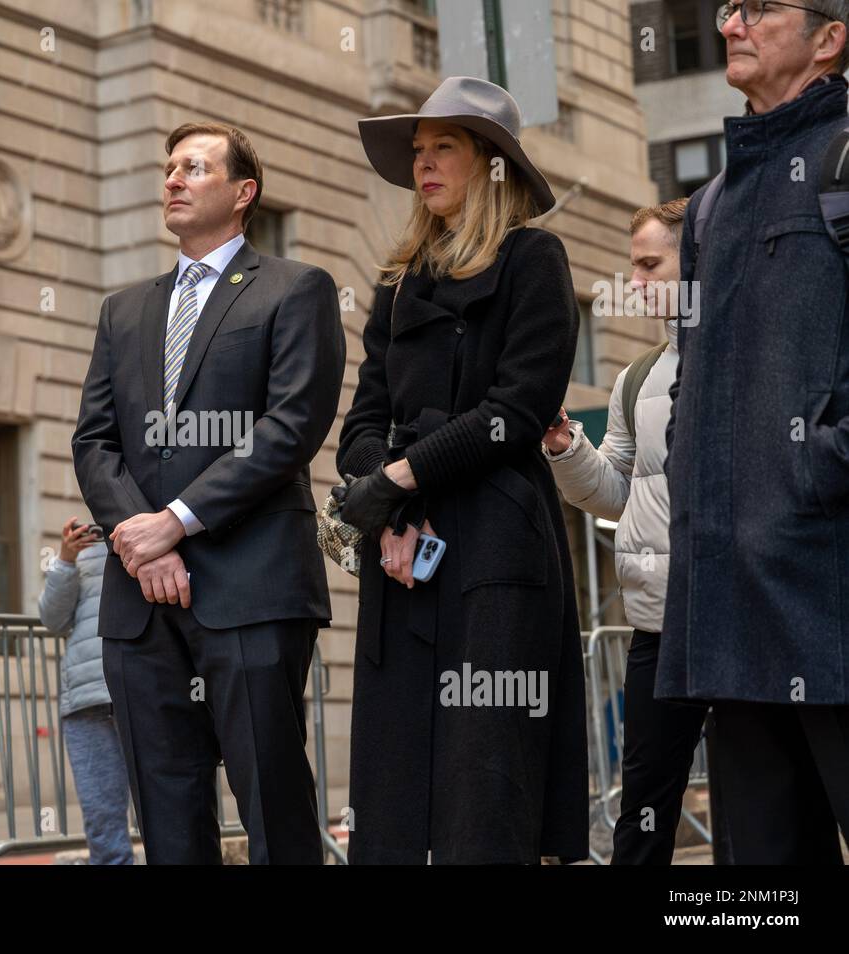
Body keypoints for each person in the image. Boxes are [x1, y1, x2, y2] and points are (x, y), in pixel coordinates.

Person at [71, 121, 345, 864]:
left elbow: (290, 427)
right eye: (168, 168)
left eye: (194, 167)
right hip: (141, 605)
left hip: (252, 588)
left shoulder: (296, 289)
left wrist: (178, 523)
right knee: (166, 819)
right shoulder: (123, 310)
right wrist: (143, 540)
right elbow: (93, 441)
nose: (173, 179)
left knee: (274, 807)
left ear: (242, 191)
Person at [338, 76, 588, 864]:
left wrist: (399, 482)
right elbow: (363, 417)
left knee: (488, 790)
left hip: (495, 551)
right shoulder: (400, 275)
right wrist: (386, 507)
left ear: (493, 164)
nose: (424, 164)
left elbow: (516, 410)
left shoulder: (533, 258)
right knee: (392, 791)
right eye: (418, 150)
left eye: (444, 146)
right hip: (402, 556)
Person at [659, 0, 849, 863]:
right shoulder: (708, 208)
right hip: (730, 599)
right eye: (727, 8)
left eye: (760, 8)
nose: (732, 23)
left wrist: (823, 464)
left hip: (829, 579)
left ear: (830, 37)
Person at [543, 198, 720, 864]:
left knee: (757, 790)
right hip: (657, 623)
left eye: (651, 265)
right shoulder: (634, 377)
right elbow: (615, 492)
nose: (635, 283)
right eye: (632, 267)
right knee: (644, 799)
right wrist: (565, 449)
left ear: (696, 258)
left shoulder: (743, 353)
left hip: (740, 617)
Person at [37, 516, 133, 864]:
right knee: (100, 813)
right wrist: (65, 558)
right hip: (85, 700)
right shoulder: (81, 554)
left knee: (165, 805)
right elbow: (52, 619)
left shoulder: (157, 533)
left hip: (140, 692)